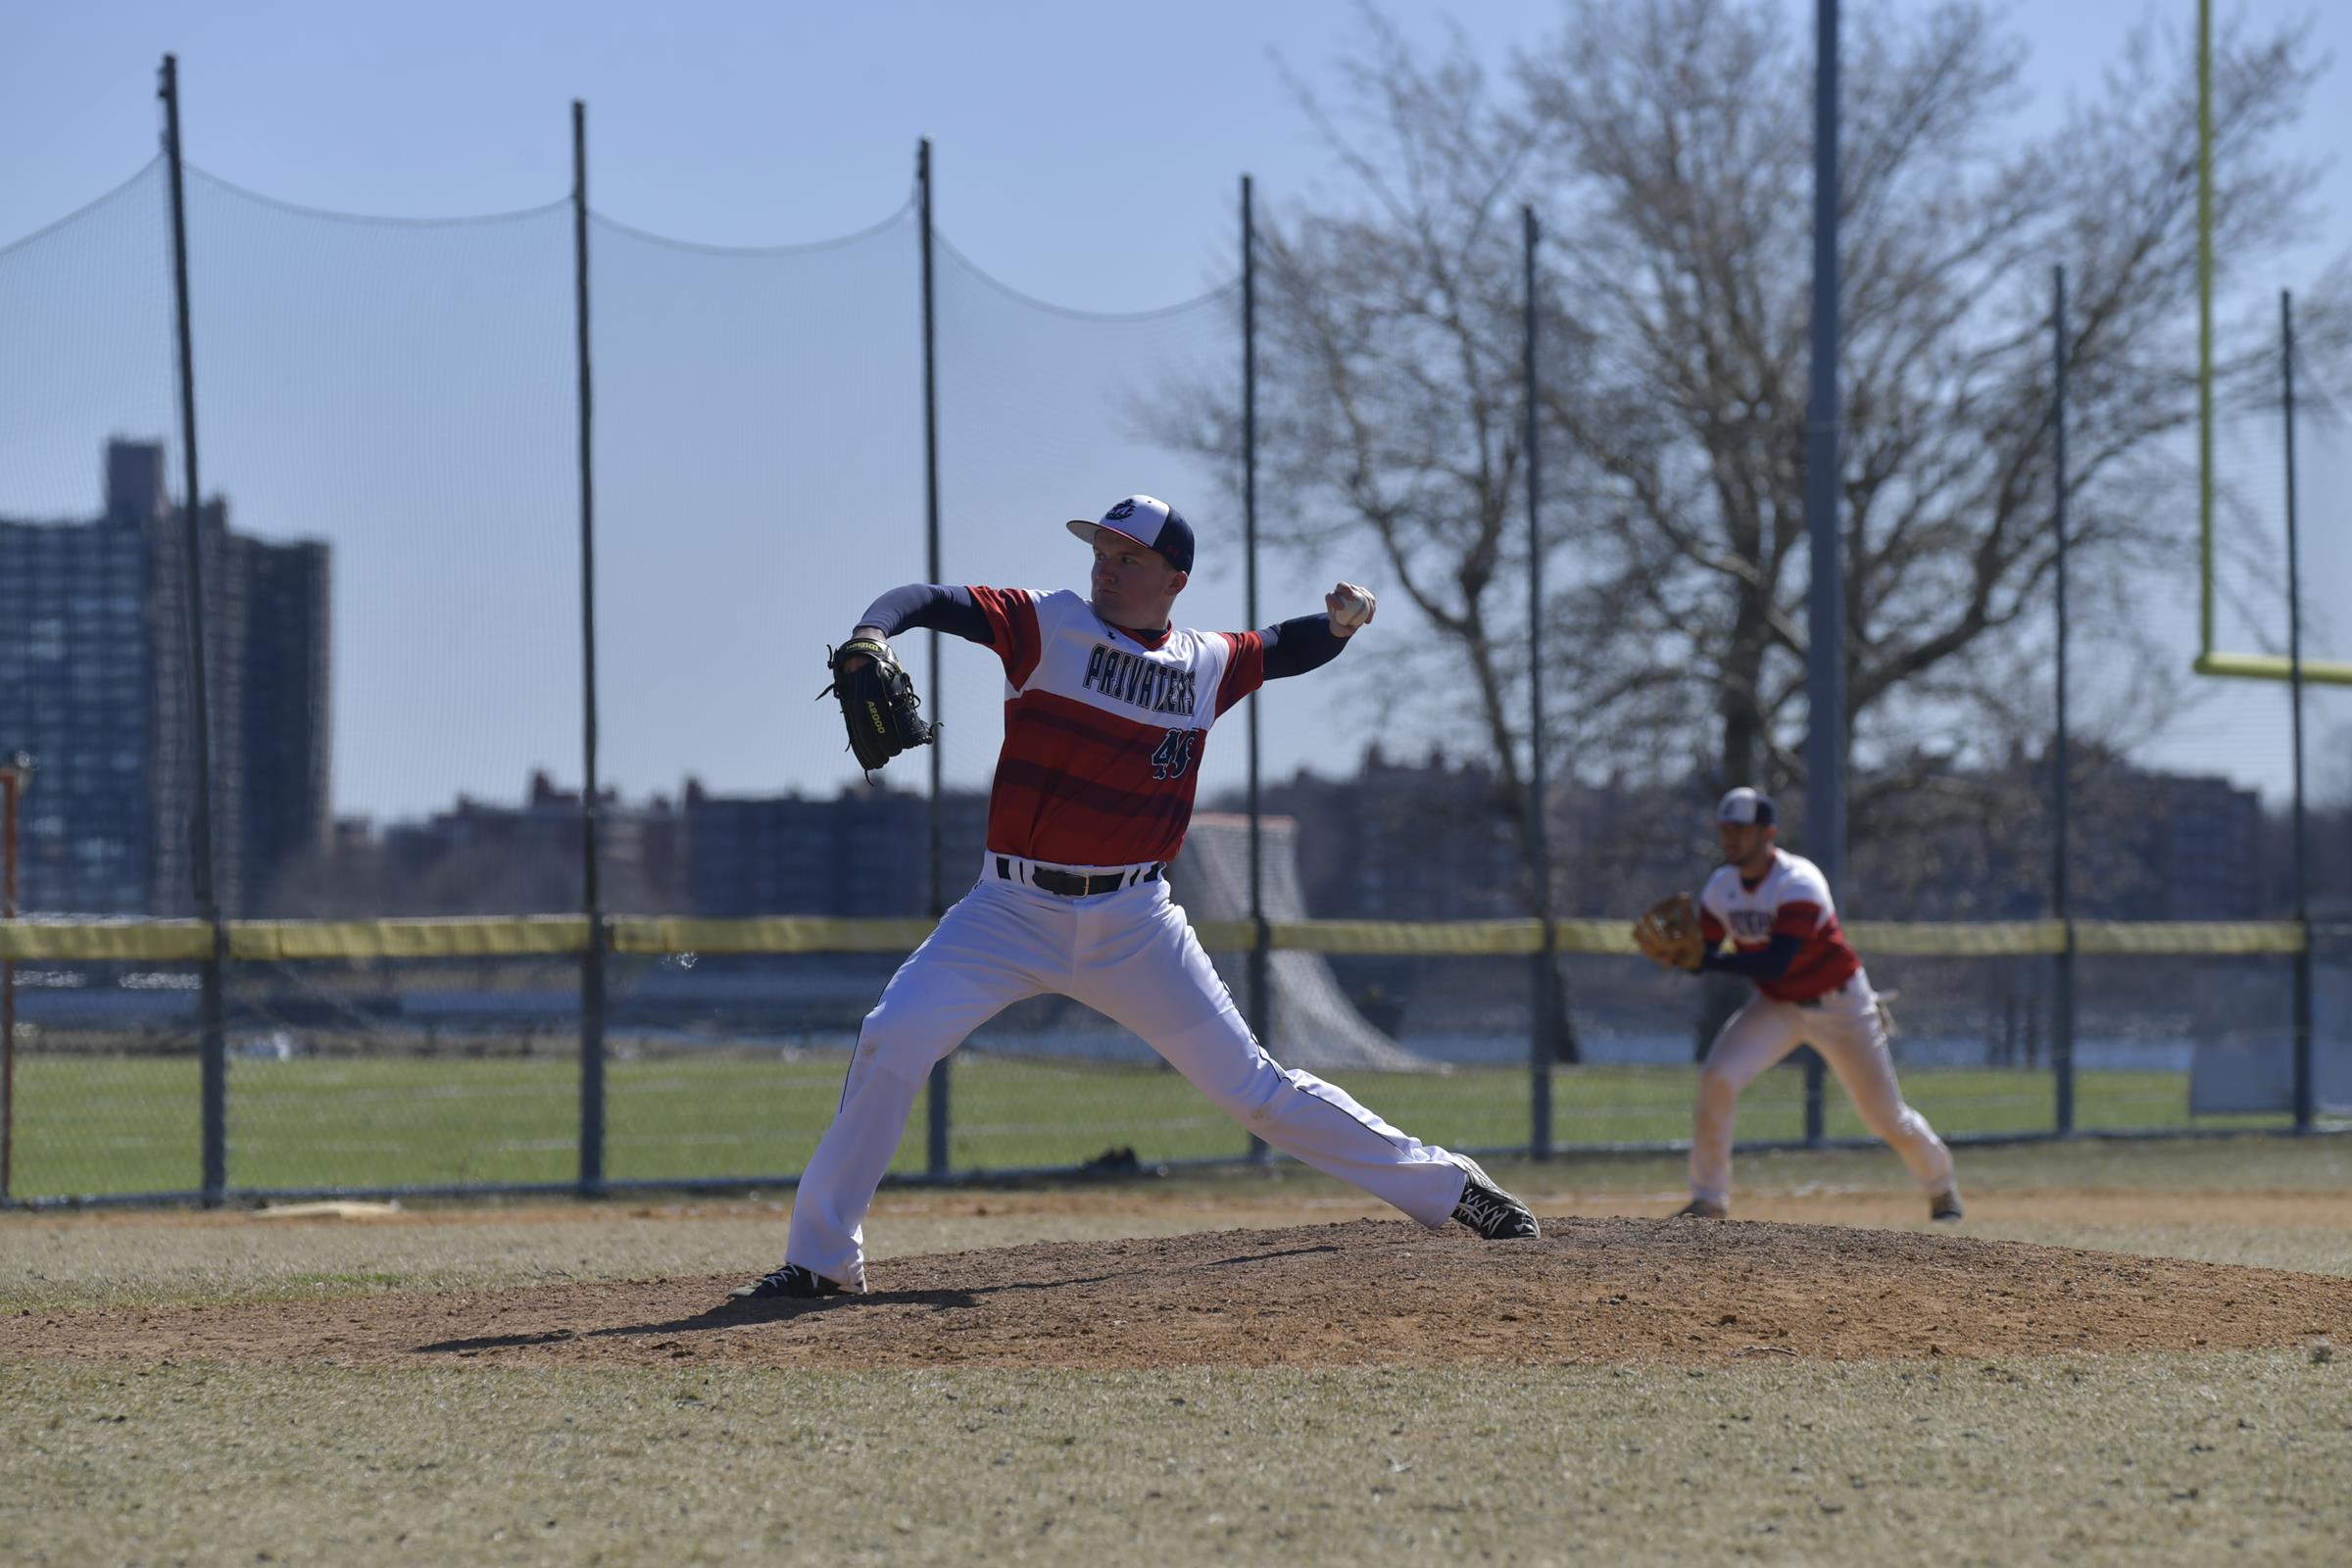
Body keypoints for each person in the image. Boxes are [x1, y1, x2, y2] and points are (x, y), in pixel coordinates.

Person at [730, 495, 1539, 1301]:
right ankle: (824, 1258)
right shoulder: (1047, 625)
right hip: (1008, 910)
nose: (1105, 569)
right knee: (891, 1039)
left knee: (1254, 1093)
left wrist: (1337, 626)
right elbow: (929, 601)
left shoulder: (1203, 662)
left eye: (1128, 559)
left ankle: (1449, 1186)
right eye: (1101, 553)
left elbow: (1280, 650)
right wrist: (873, 631)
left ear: (1174, 579)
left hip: (1135, 924)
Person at [1675, 787, 1963, 1224]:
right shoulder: (1721, 887)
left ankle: (1941, 1188)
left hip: (1840, 1004)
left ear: (1768, 833)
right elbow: (1710, 952)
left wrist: (1705, 958)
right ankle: (1709, 1199)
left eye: (1741, 829)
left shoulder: (1798, 882)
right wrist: (1687, 956)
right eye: (1725, 829)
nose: (1730, 838)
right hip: (1777, 1005)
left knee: (1885, 1116)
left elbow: (1775, 960)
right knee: (1718, 1077)